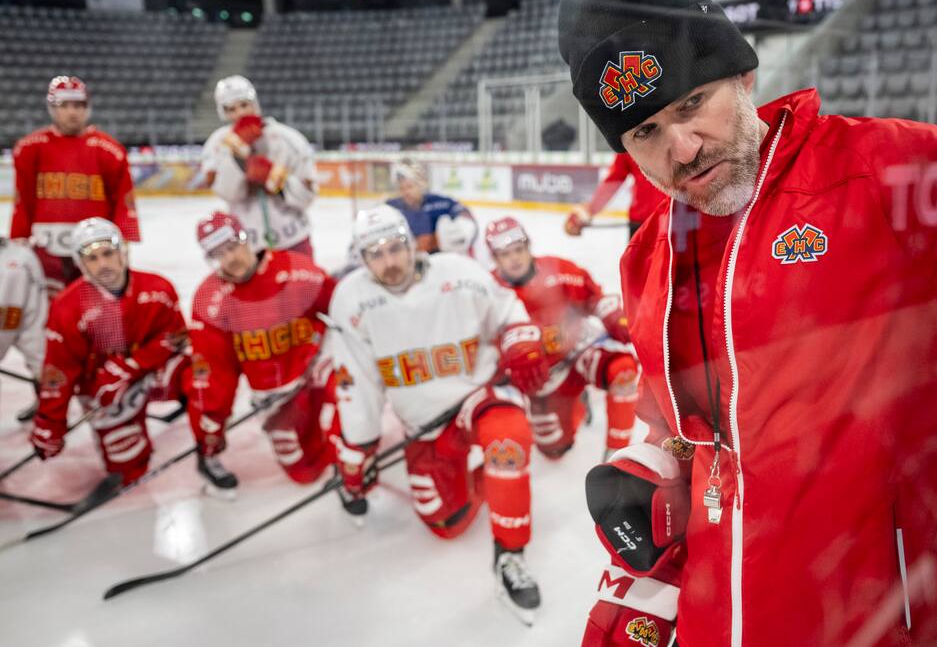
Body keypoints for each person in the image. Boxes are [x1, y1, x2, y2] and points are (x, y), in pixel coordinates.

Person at [557, 0, 937, 646]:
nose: (680, 150)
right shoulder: (650, 256)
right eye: (646, 131)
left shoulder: (894, 174)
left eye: (692, 104)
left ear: (742, 75)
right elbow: (681, 420)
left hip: (911, 623)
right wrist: (648, 473)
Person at [327, 205, 550, 623]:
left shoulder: (458, 273)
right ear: (360, 258)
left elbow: (507, 309)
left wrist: (520, 339)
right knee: (447, 522)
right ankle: (487, 481)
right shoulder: (352, 299)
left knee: (507, 440)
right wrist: (359, 446)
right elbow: (356, 381)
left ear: (411, 243)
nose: (390, 262)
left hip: (477, 397)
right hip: (423, 424)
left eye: (396, 248)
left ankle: (509, 557)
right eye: (376, 254)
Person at [186, 211, 339, 498]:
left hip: (318, 368)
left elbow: (341, 308)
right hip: (277, 398)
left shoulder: (296, 269)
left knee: (352, 400)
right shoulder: (211, 302)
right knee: (305, 472)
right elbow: (215, 375)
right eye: (219, 254)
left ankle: (351, 449)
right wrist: (210, 433)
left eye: (232, 246)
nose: (231, 259)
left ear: (246, 238)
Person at [29, 218, 188, 487]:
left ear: (122, 251)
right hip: (104, 392)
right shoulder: (67, 308)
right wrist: (50, 423)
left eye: (107, 254)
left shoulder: (157, 288)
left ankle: (207, 441)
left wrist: (131, 367)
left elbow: (176, 337)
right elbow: (59, 372)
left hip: (152, 374)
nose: (102, 264)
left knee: (204, 383)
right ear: (81, 264)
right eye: (92, 258)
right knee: (129, 464)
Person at [485, 216, 640, 460]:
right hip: (537, 379)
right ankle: (577, 400)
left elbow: (594, 297)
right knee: (554, 450)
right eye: (505, 254)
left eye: (518, 250)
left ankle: (617, 457)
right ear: (495, 259)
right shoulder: (488, 292)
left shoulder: (560, 270)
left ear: (528, 247)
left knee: (623, 371)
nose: (514, 258)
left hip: (577, 353)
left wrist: (609, 312)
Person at [10, 76, 141, 294]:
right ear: (52, 108)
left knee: (96, 303)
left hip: (96, 249)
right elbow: (22, 201)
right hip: (44, 247)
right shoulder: (29, 148)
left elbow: (124, 201)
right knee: (48, 305)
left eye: (78, 105)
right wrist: (18, 240)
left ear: (87, 108)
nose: (72, 112)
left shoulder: (110, 150)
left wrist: (124, 242)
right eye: (64, 105)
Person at [200, 75, 318, 256]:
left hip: (292, 238)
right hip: (248, 246)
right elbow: (228, 193)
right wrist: (237, 156)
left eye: (244, 105)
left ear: (255, 104)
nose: (239, 113)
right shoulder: (217, 145)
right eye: (231, 109)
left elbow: (308, 195)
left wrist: (275, 180)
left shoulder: (287, 139)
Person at [385, 159, 480, 257]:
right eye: (401, 188)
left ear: (420, 185)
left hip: (437, 262)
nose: (406, 192)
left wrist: (465, 226)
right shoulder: (391, 208)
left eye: (410, 187)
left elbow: (461, 211)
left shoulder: (439, 202)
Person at [563, 152, 668, 240]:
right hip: (642, 223)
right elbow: (615, 178)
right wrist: (588, 212)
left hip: (675, 222)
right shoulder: (627, 137)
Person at [0, 238, 49, 424]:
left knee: (43, 361)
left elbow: (27, 319)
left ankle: (48, 408)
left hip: (21, 317)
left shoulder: (19, 261)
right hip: (21, 318)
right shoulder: (22, 256)